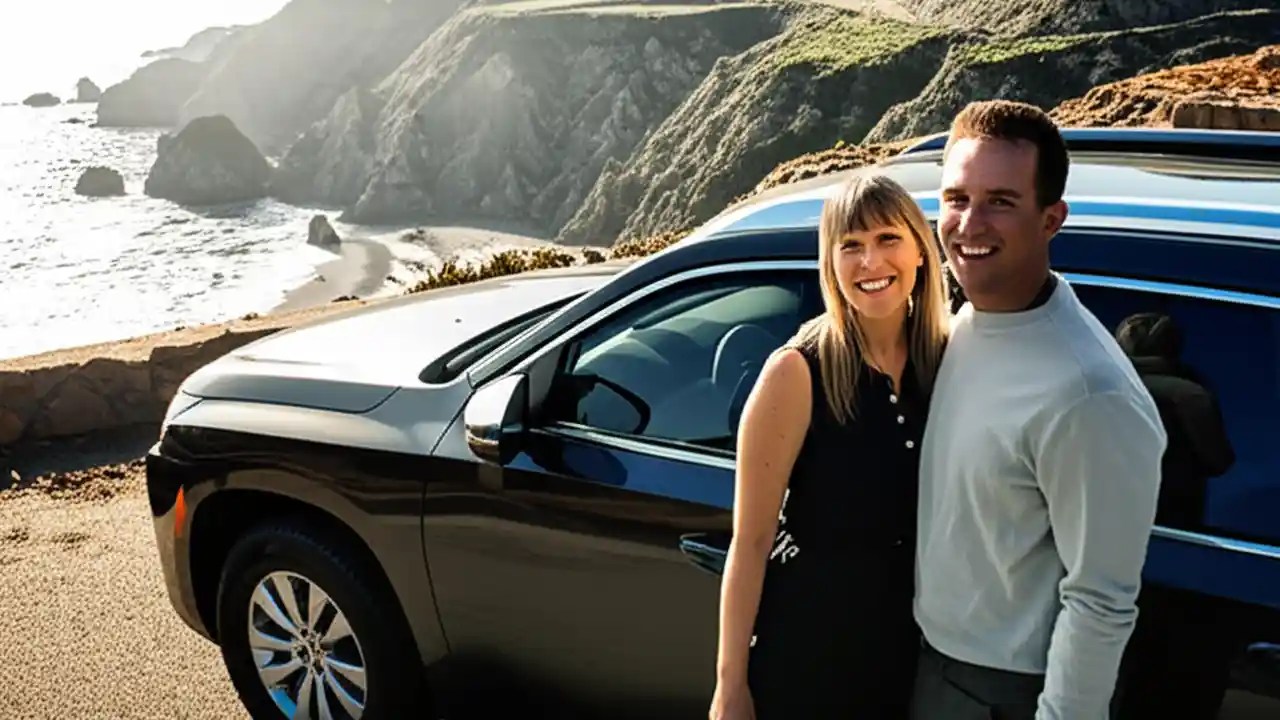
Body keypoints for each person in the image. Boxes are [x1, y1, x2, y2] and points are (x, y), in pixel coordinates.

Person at [910, 99, 1168, 720]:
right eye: (956, 198)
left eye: (1000, 201)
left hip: (1007, 695)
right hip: (933, 665)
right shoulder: (971, 319)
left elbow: (1101, 601)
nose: (969, 224)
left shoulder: (1087, 394)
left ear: (1052, 219)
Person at [708, 172, 951, 719]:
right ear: (831, 262)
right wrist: (730, 688)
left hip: (915, 648)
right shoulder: (797, 373)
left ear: (919, 249)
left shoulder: (946, 357)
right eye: (852, 246)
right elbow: (750, 543)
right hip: (814, 650)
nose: (871, 263)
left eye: (888, 239)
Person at [1111, 311, 1239, 720]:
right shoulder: (1192, 395)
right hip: (1180, 548)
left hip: (1100, 541)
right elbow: (1219, 461)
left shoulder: (1098, 385)